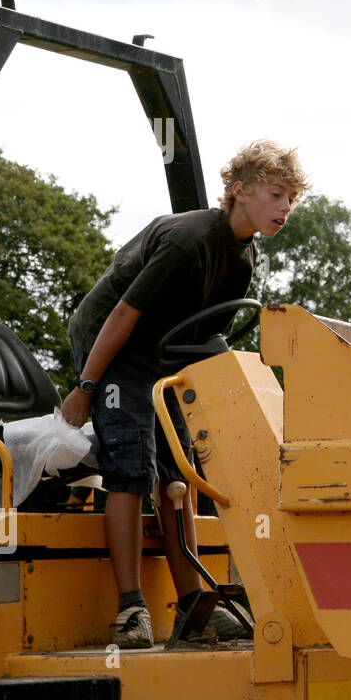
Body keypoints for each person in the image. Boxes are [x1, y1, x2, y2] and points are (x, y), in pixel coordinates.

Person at [62, 140, 308, 647]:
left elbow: (204, 342)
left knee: (181, 474)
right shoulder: (188, 239)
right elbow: (123, 315)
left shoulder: (243, 258)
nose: (285, 207)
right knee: (131, 469)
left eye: (292, 199)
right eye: (277, 194)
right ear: (239, 192)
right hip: (115, 351)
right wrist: (86, 385)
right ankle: (132, 611)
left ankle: (192, 604)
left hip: (164, 360)